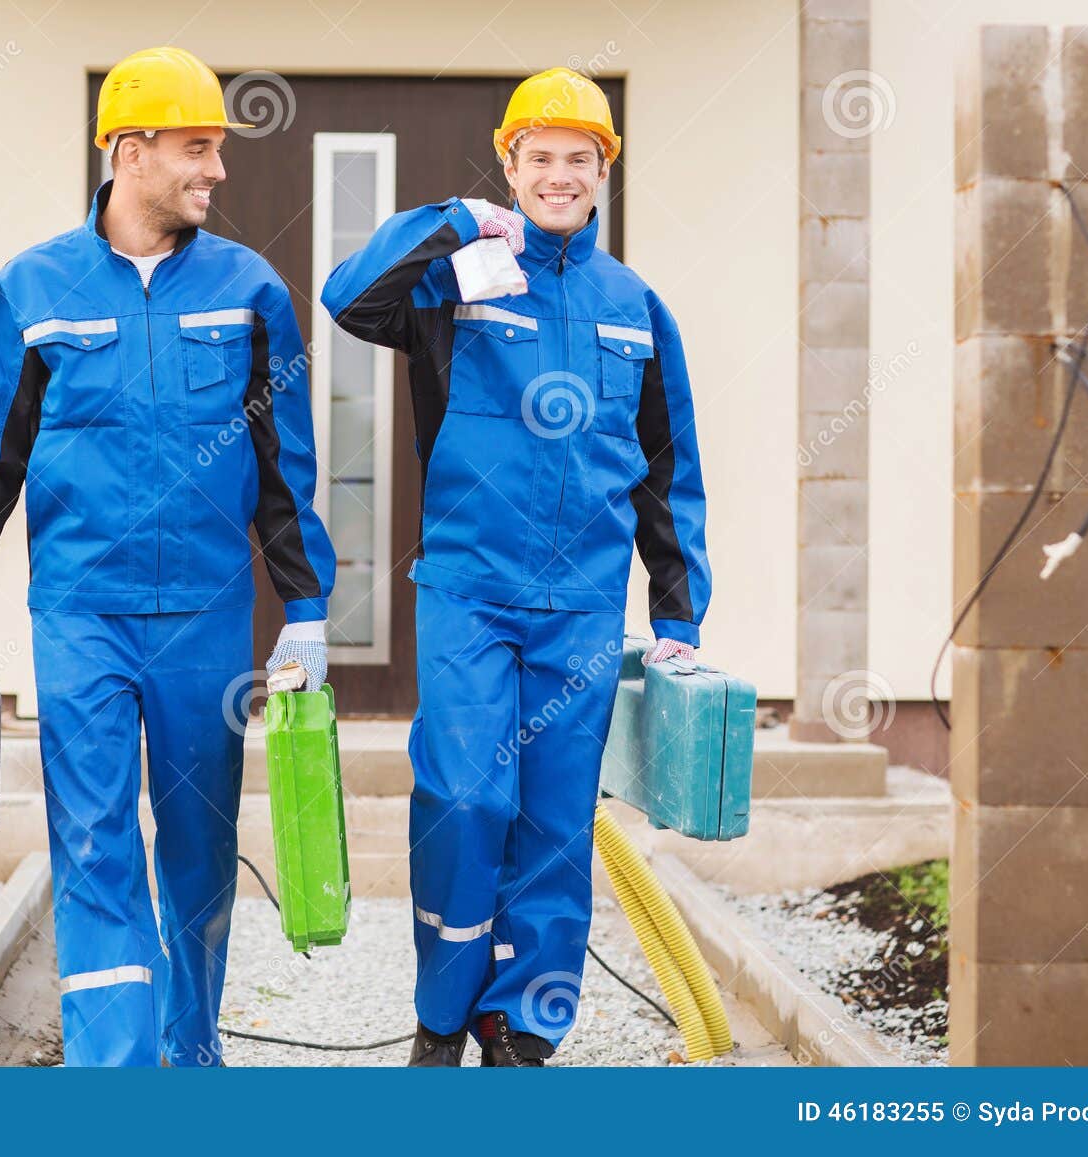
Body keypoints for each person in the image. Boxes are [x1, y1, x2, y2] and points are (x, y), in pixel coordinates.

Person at [0, 46, 335, 1067]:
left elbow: (287, 467)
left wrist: (308, 608)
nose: (217, 171)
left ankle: (189, 1055)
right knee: (95, 841)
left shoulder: (248, 290)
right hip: (82, 613)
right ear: (129, 150)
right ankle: (118, 1074)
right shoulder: (33, 288)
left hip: (206, 614)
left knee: (196, 852)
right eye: (197, 149)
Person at [321, 67, 710, 1066]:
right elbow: (348, 298)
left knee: (551, 822)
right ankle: (442, 1012)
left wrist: (677, 607)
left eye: (579, 159)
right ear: (510, 166)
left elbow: (667, 468)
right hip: (468, 591)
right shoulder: (466, 276)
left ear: (601, 172)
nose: (560, 175)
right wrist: (454, 221)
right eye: (540, 158)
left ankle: (521, 1027)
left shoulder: (636, 306)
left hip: (581, 604)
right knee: (463, 797)